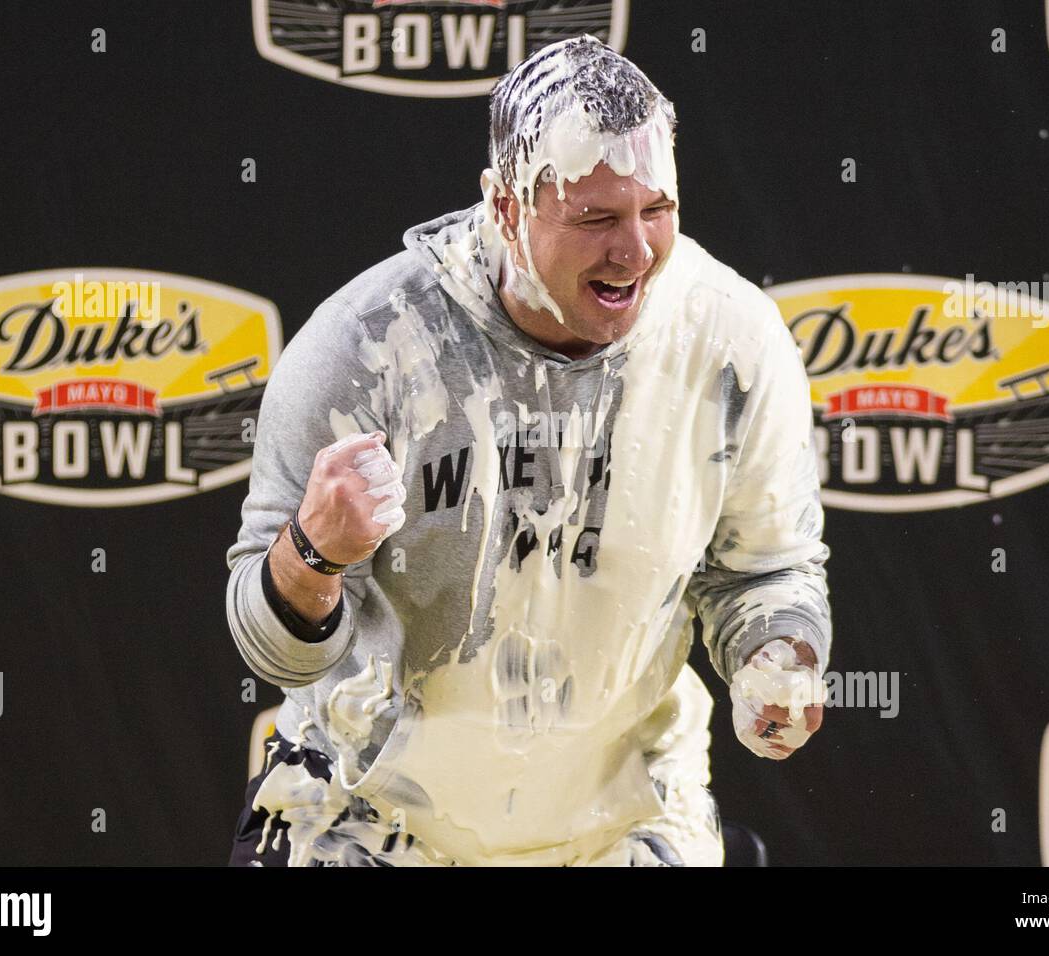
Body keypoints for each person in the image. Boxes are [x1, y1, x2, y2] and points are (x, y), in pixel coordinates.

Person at [224, 33, 832, 867]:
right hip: (368, 819)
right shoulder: (370, 347)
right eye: (596, 219)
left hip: (625, 820)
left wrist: (777, 654)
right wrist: (310, 556)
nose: (636, 251)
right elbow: (273, 652)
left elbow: (766, 570)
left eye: (657, 209)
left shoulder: (730, 340)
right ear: (505, 205)